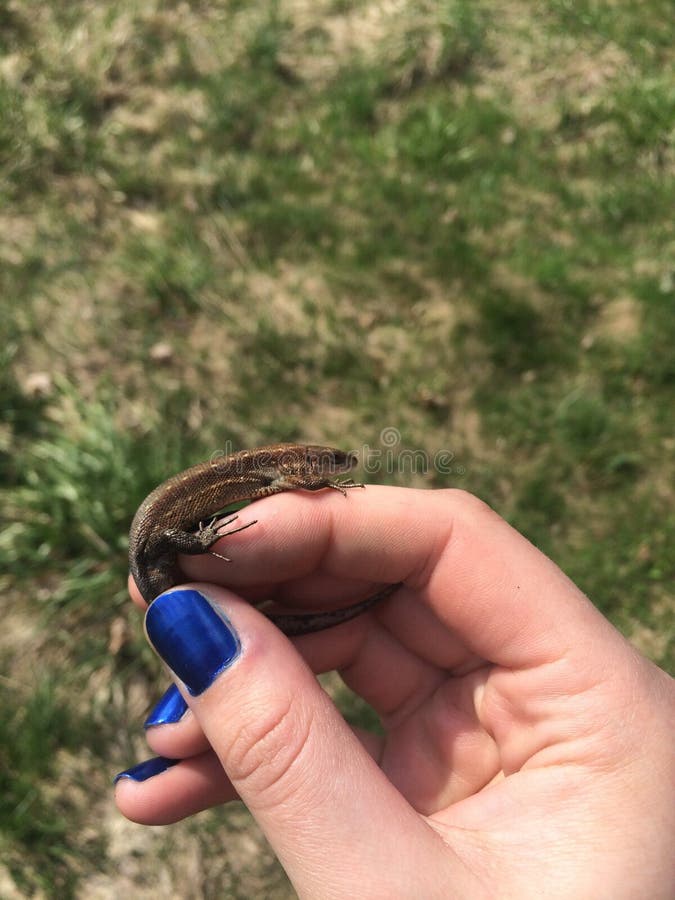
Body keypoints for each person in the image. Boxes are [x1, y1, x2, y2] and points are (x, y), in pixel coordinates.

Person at [115, 487, 675, 898]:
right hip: (156, 554)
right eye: (330, 467)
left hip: (166, 568)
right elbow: (167, 540)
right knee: (233, 610)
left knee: (238, 615)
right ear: (295, 471)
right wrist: (202, 541)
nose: (343, 473)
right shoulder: (244, 483)